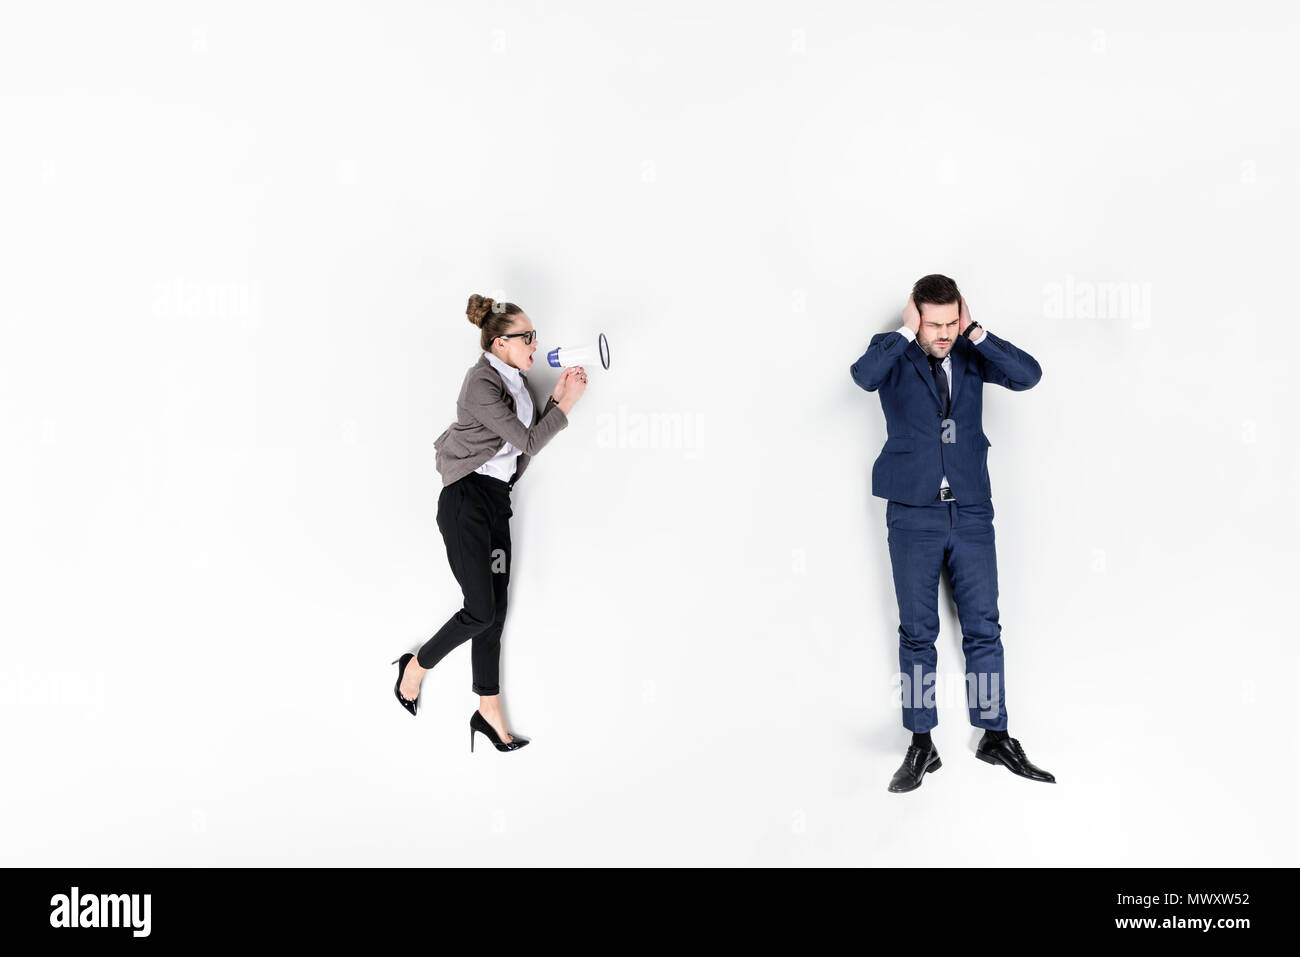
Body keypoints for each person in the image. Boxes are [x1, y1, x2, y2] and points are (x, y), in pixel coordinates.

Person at [850, 274, 1056, 791]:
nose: (943, 333)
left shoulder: (968, 350)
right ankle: (921, 744)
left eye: (950, 322)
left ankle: (994, 733)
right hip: (913, 514)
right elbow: (862, 375)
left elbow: (1029, 376)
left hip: (970, 512)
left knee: (983, 627)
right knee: (918, 634)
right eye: (933, 323)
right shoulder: (894, 353)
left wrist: (978, 333)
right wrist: (904, 333)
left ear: (961, 314)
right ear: (916, 318)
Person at [391, 293, 587, 753]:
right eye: (527, 337)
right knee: (479, 609)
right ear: (500, 343)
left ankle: (487, 709)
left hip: (497, 502)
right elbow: (529, 441)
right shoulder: (481, 383)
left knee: (494, 614)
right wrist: (567, 406)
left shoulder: (519, 384)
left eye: (534, 335)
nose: (534, 344)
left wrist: (553, 401)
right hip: (466, 501)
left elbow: (520, 446)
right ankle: (415, 667)